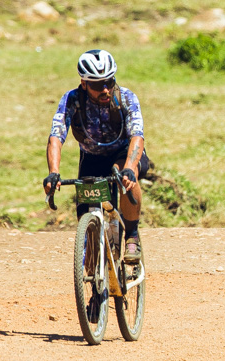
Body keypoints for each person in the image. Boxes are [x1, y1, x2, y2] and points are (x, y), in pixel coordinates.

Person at [42, 49, 149, 262]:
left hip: (124, 154)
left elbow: (137, 135)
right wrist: (53, 172)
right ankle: (91, 269)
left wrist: (130, 168)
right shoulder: (72, 100)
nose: (105, 90)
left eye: (109, 82)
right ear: (84, 84)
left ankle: (132, 236)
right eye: (98, 85)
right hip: (91, 158)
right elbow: (56, 136)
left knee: (124, 176)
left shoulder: (126, 97)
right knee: (85, 219)